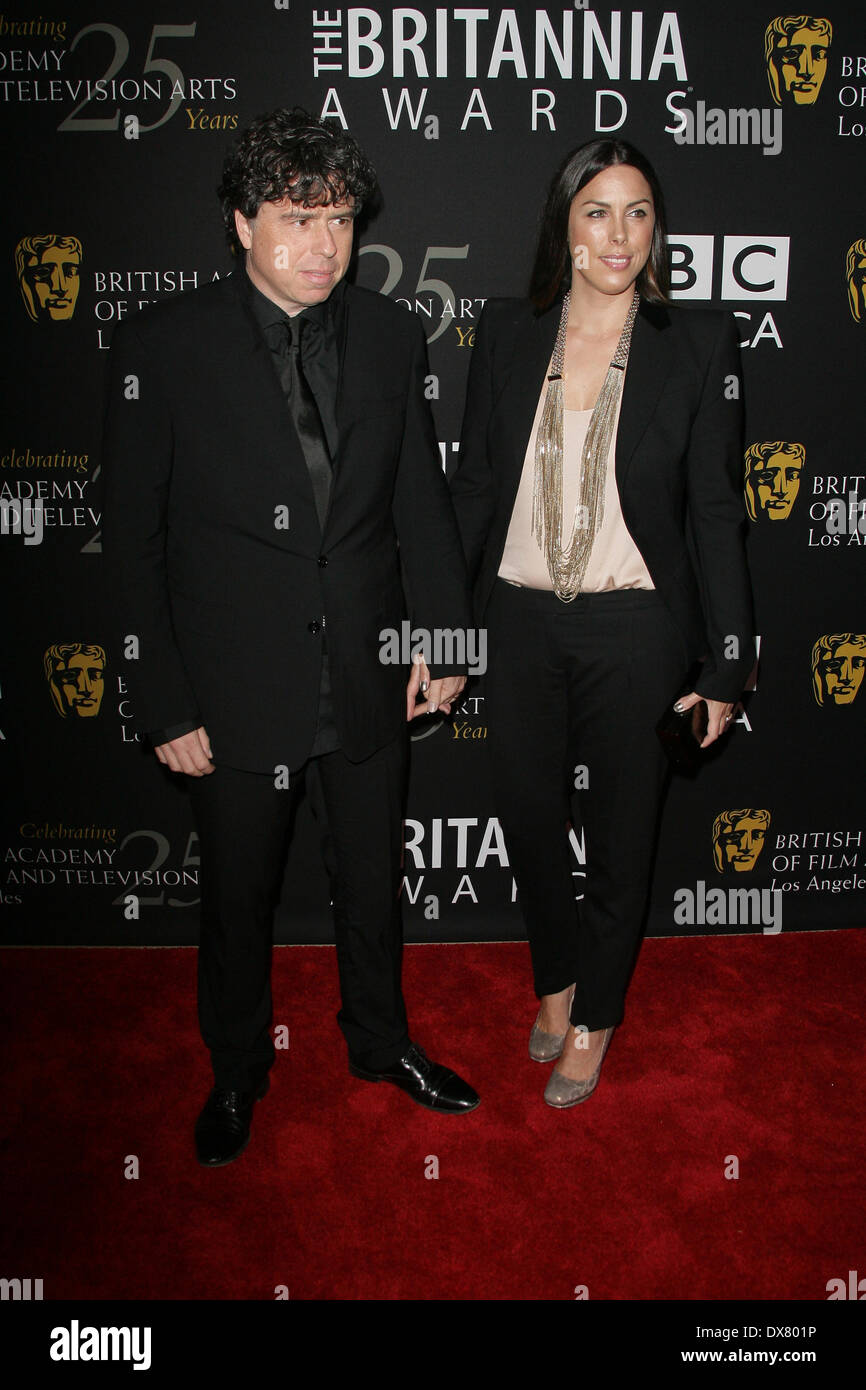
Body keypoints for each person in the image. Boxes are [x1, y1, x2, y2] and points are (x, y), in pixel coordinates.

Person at [102, 107, 480, 1167]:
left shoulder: (395, 334)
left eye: (340, 220)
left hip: (363, 671)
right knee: (237, 899)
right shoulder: (160, 348)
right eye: (294, 218)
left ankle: (380, 1043)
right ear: (239, 222)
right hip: (230, 691)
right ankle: (235, 1070)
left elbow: (422, 507)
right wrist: (164, 702)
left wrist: (446, 644)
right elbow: (132, 544)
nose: (324, 245)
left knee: (371, 880)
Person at [450, 138, 755, 1109]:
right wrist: (444, 635)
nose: (617, 233)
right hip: (518, 618)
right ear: (563, 225)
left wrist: (726, 666)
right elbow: (471, 494)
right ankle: (554, 978)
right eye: (596, 211)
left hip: (636, 627)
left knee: (623, 835)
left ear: (653, 227)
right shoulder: (502, 331)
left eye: (635, 212)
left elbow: (713, 510)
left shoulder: (697, 341)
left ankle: (596, 1014)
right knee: (531, 823)